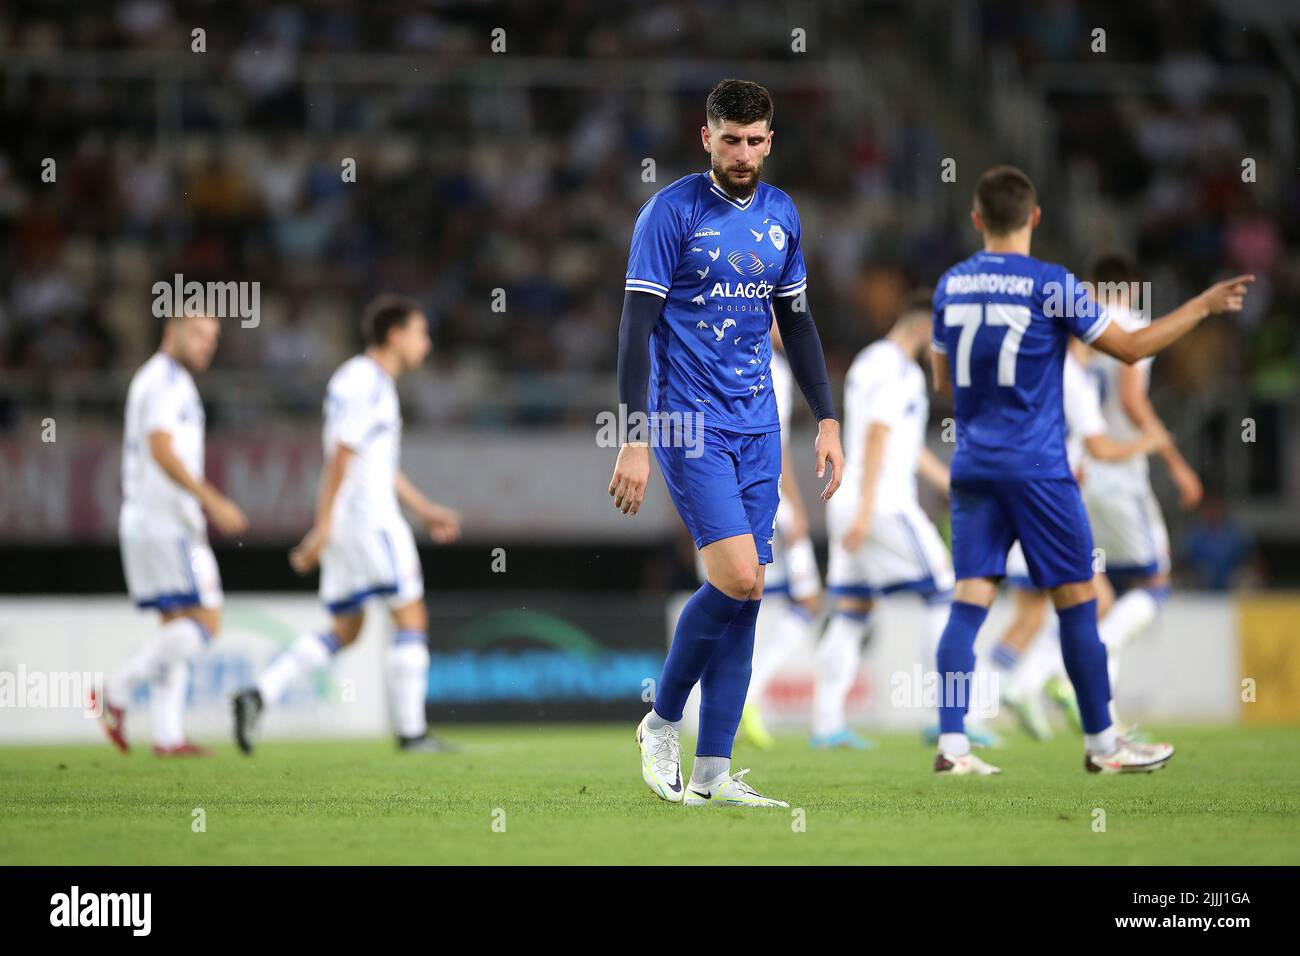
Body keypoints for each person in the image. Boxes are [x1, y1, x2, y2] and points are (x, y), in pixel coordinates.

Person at [929, 165, 1251, 775]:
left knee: (969, 601)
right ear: (1036, 217)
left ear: (977, 220)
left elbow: (944, 381)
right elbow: (1131, 348)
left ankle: (952, 744)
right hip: (1039, 468)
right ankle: (1103, 745)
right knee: (1078, 602)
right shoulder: (1052, 285)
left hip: (972, 464)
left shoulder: (951, 285)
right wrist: (1203, 308)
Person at [610, 79, 842, 807]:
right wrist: (633, 436)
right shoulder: (669, 212)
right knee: (739, 578)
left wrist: (827, 418)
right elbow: (634, 329)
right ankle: (661, 721)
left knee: (749, 596)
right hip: (687, 422)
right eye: (730, 139)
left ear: (770, 141)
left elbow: (798, 325)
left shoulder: (782, 214)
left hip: (759, 423)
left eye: (755, 141)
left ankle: (713, 774)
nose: (743, 153)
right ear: (705, 136)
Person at [233, 295, 461, 755]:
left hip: (349, 523)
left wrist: (423, 508)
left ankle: (259, 693)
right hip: (370, 521)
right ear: (395, 335)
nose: (427, 344)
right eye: (421, 333)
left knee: (347, 628)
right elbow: (340, 455)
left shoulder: (360, 379)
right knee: (410, 614)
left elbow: (371, 461)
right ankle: (413, 734)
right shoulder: (369, 383)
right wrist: (321, 526)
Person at [97, 311, 248, 756]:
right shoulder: (162, 380)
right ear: (170, 332)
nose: (207, 344)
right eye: (198, 334)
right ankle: (117, 690)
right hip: (166, 521)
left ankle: (167, 736)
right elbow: (160, 449)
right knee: (207, 621)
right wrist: (212, 499)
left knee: (177, 627)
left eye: (213, 337)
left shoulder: (170, 381)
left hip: (152, 519)